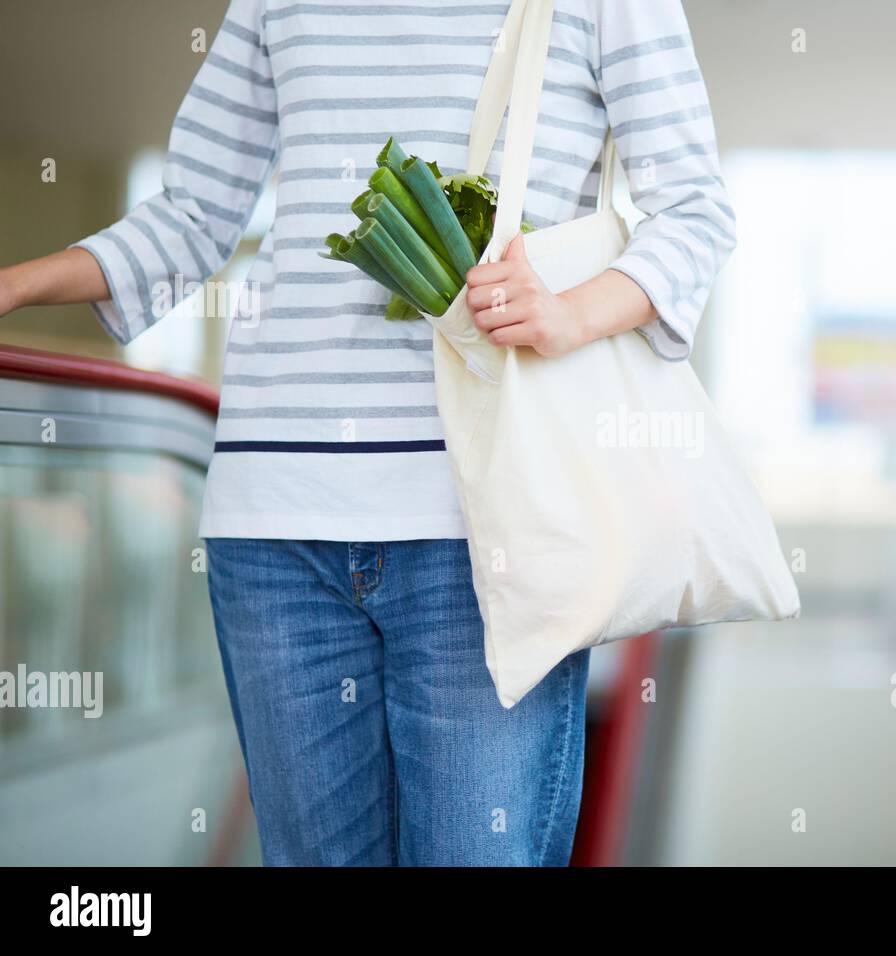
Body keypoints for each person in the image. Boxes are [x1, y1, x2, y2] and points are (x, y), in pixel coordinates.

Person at [0, 0, 735, 866]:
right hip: (276, 536)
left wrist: (567, 313)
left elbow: (695, 213)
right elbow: (194, 216)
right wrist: (10, 284)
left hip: (489, 530)